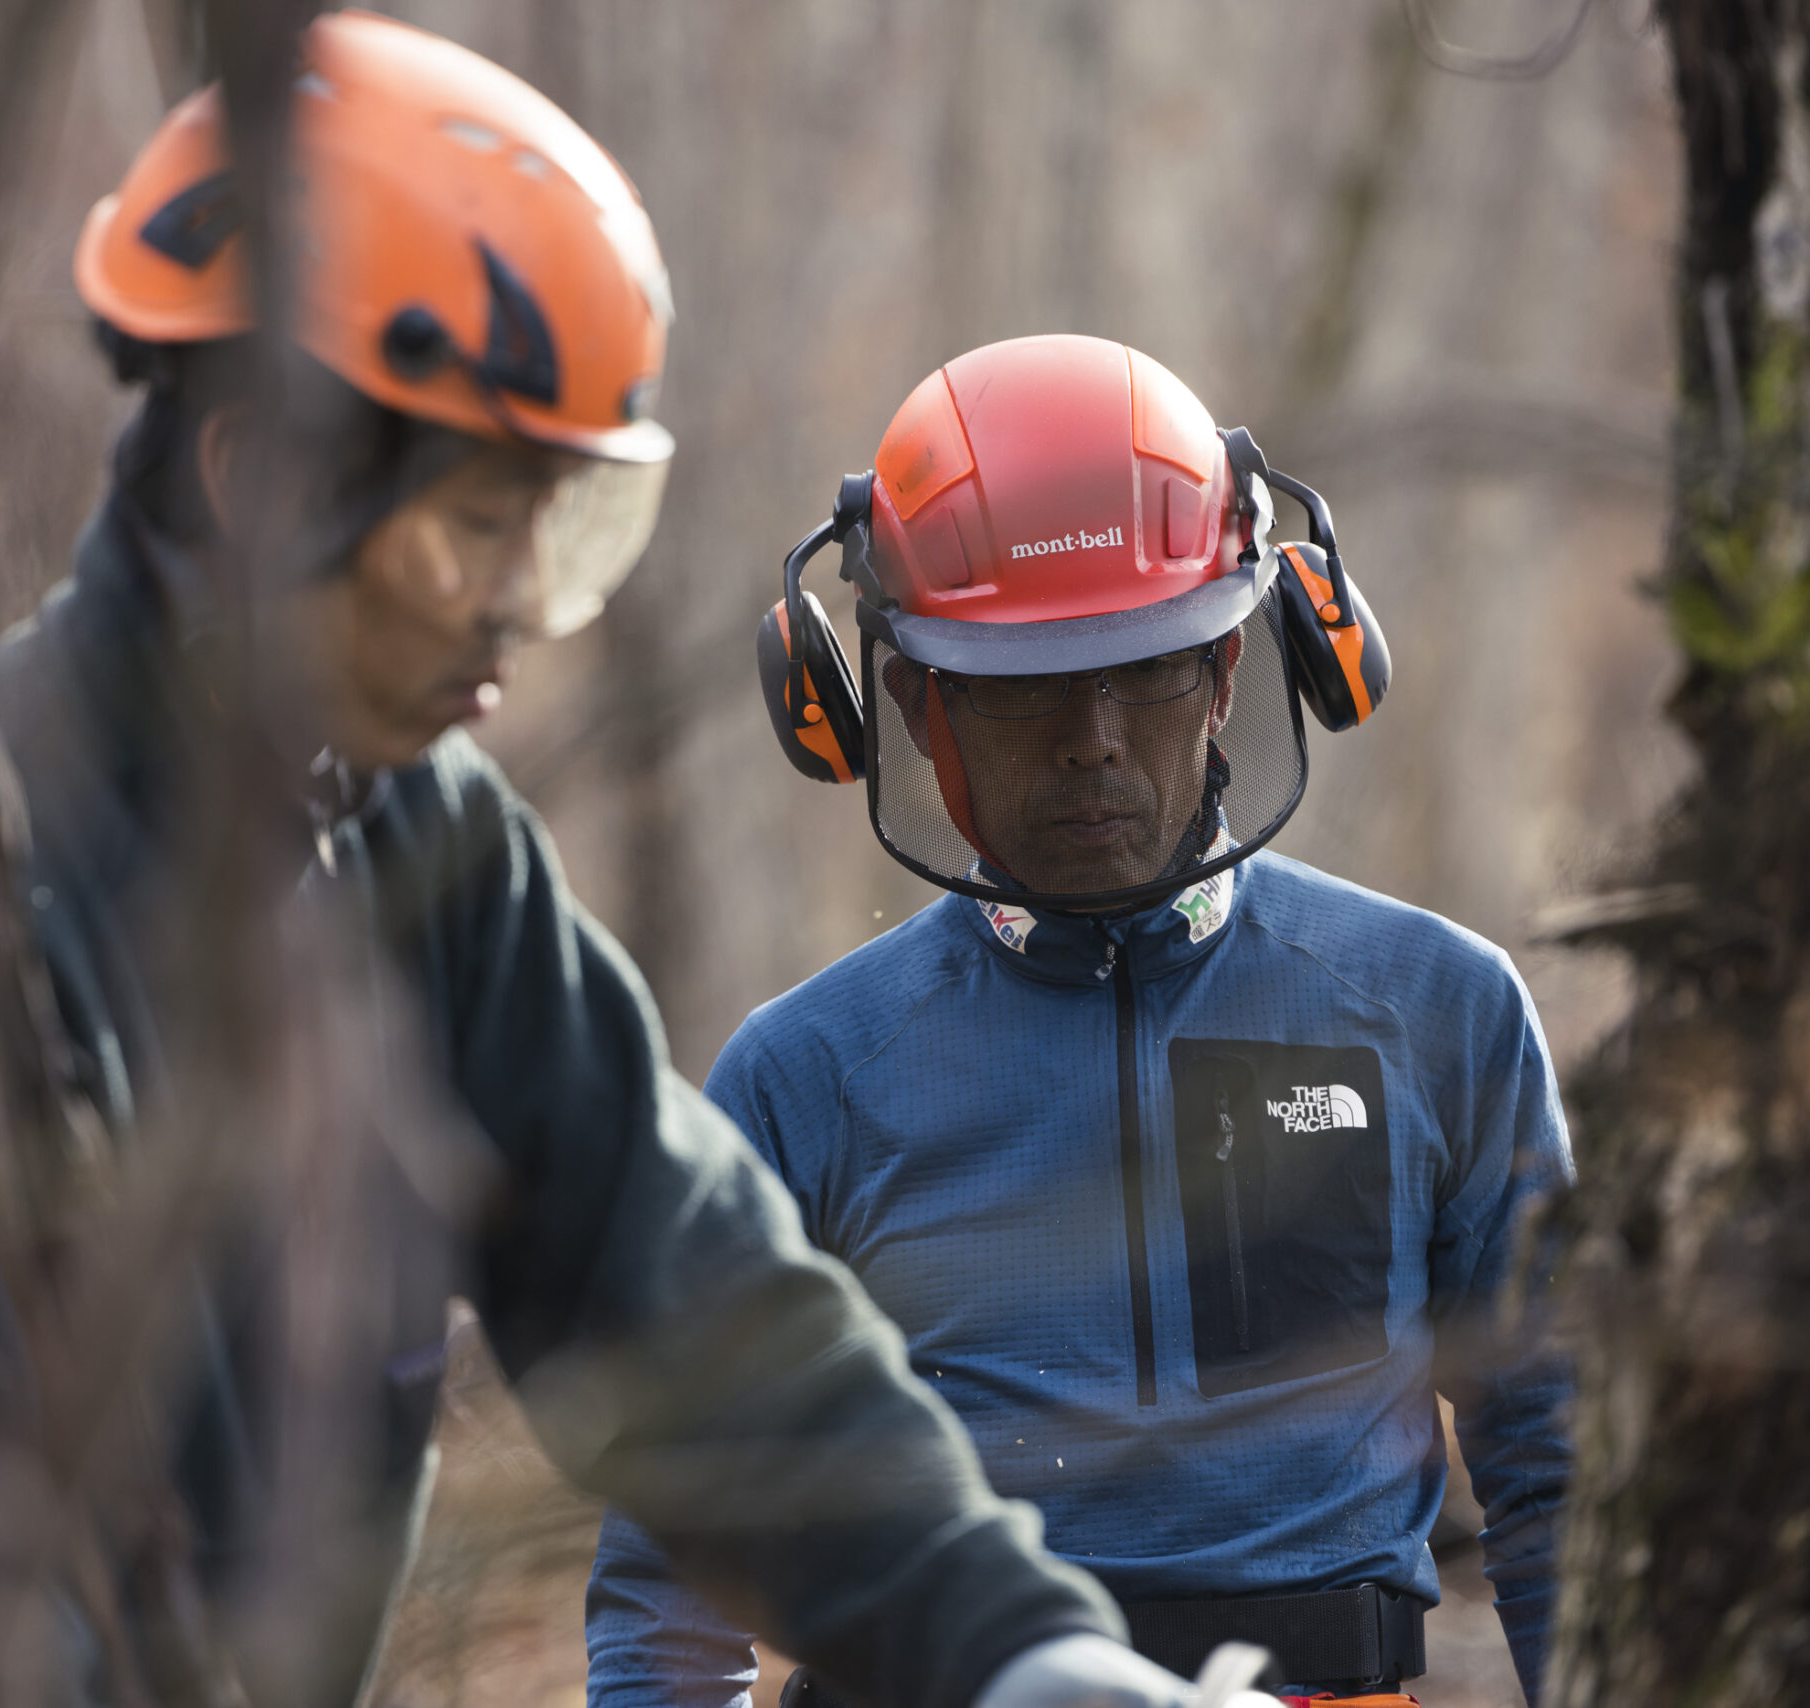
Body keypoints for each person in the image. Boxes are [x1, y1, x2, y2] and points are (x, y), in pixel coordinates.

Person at [0, 27, 1283, 1708]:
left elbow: (689, 1293)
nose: (525, 606)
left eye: (566, 529)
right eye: (479, 528)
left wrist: (1021, 1653)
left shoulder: (405, 838)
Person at [587, 334, 1572, 1707]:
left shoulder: (1437, 1012)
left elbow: (1558, 1472)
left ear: (1232, 667)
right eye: (1024, 687)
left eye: (1148, 670)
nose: (1093, 737)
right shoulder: (803, 1082)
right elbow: (669, 1578)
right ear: (916, 708)